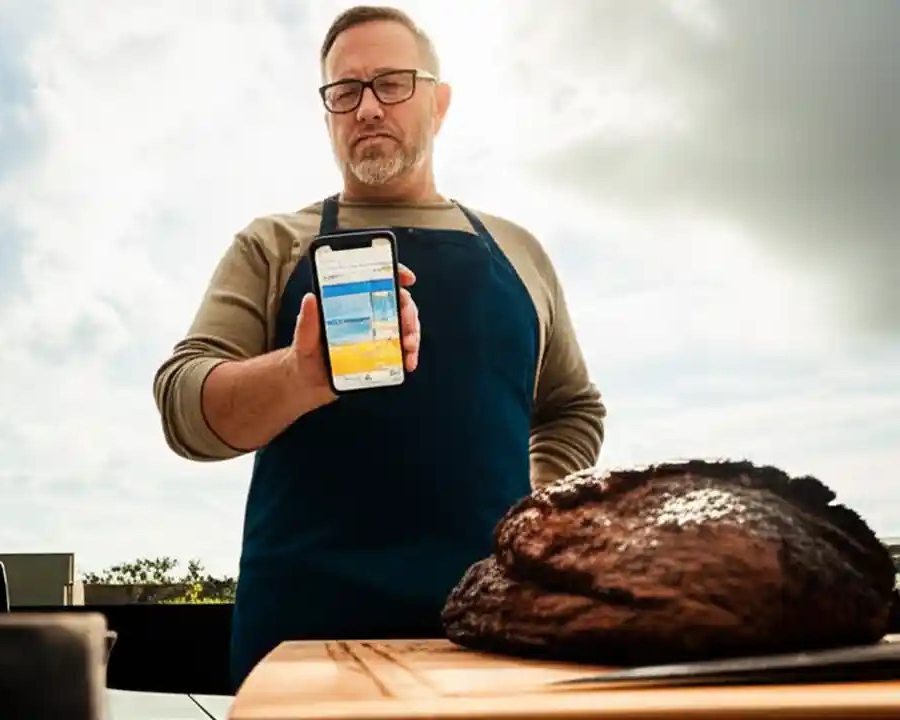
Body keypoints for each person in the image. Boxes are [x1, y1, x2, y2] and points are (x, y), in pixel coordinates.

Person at [152, 5, 606, 692]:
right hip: (305, 639)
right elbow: (184, 405)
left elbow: (572, 407)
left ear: (438, 102)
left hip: (493, 629)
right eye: (345, 90)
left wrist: (530, 510)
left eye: (392, 83)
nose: (367, 108)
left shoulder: (521, 252)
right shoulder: (272, 243)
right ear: (328, 112)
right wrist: (303, 374)